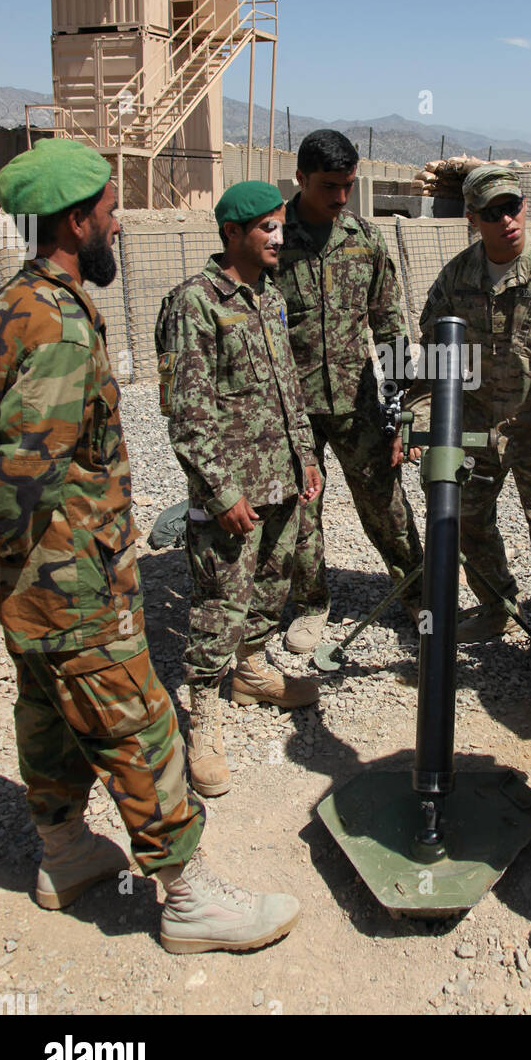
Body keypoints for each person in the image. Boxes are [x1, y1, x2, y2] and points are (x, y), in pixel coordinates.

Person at [0, 139, 300, 953]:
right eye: (107, 211)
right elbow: (20, 474)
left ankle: (64, 852)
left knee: (48, 713)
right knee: (140, 722)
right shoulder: (56, 325)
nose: (119, 225)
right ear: (73, 220)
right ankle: (189, 894)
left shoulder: (20, 300)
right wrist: (70, 575)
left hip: (31, 583)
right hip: (67, 578)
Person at [413, 164, 531, 726]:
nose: (508, 219)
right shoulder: (456, 278)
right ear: (473, 219)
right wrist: (417, 415)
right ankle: (496, 605)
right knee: (466, 519)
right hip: (477, 427)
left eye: (515, 206)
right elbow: (433, 352)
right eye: (494, 211)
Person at [156, 180, 322, 798]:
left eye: (281, 226)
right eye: (267, 228)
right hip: (232, 492)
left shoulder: (269, 296)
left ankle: (250, 670)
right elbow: (187, 413)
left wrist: (305, 455)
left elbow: (288, 387)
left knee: (272, 585)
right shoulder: (194, 303)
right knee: (217, 602)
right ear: (232, 233)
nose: (281, 237)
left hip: (281, 480)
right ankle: (204, 717)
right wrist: (221, 492)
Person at [270, 130, 423, 651]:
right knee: (300, 510)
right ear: (301, 178)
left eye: (348, 186)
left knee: (385, 500)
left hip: (356, 401)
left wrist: (402, 409)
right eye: (329, 186)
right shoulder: (271, 241)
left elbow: (390, 325)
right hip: (292, 407)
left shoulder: (364, 239)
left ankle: (416, 591)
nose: (340, 197)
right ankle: (311, 605)